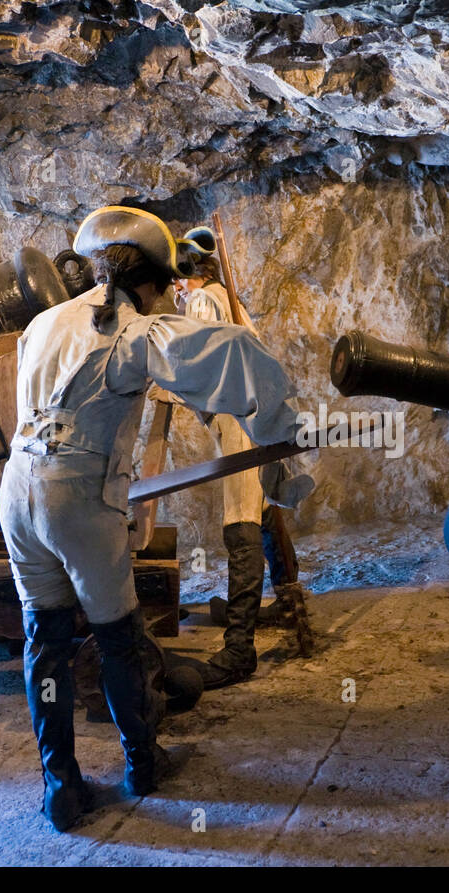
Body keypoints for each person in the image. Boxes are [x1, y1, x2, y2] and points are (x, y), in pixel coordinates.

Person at [0, 205, 300, 832]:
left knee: (45, 642)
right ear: (154, 282)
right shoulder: (134, 332)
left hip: (16, 489)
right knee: (118, 636)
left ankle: (61, 786)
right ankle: (142, 764)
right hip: (76, 496)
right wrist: (284, 448)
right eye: (170, 288)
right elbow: (233, 355)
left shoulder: (45, 323)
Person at [169, 259, 313, 689]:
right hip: (256, 416)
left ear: (189, 275)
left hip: (238, 421)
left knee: (241, 523)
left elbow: (195, 358)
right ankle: (287, 602)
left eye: (178, 279)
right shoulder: (228, 302)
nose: (176, 288)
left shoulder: (200, 301)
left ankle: (238, 651)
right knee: (262, 507)